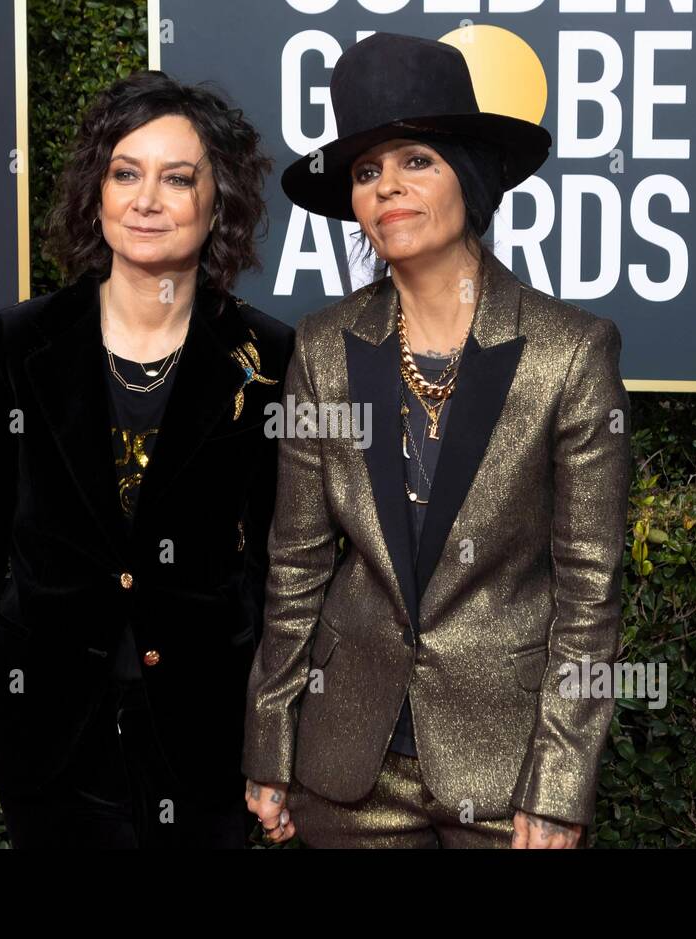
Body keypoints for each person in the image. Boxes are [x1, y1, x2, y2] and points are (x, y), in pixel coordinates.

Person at [243, 32, 632, 848]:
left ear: (472, 172)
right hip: (347, 768)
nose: (389, 187)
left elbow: (589, 590)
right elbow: (297, 565)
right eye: (366, 171)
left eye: (416, 160)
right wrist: (270, 747)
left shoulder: (571, 350)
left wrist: (560, 784)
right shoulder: (321, 347)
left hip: (506, 771)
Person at [0, 70, 293, 849]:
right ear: (97, 193)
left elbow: (282, 565)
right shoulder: (22, 343)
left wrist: (278, 741)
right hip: (50, 732)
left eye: (177, 178)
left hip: (208, 737)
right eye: (126, 173)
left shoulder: (266, 354)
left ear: (217, 201)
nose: (147, 199)